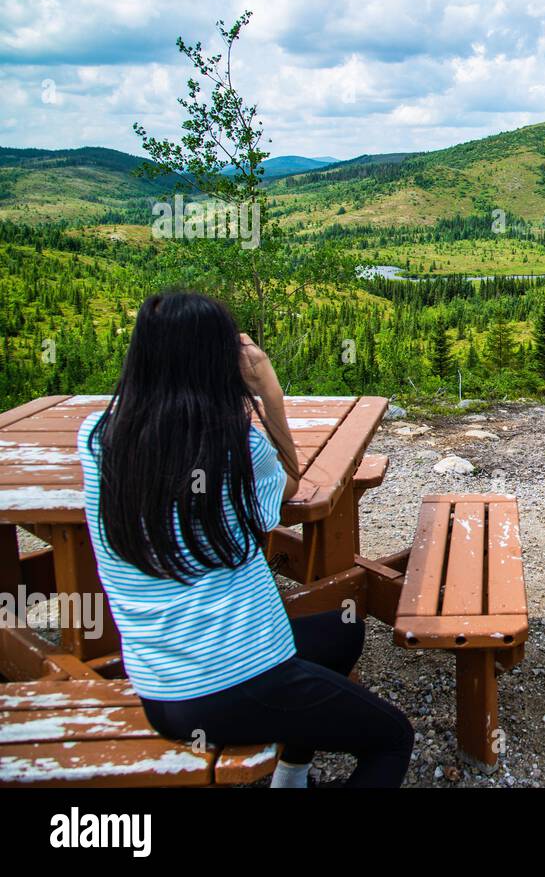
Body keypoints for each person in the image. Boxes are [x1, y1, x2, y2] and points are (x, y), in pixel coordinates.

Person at [77, 291, 413, 787]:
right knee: (392, 738)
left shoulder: (98, 437)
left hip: (159, 687)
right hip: (233, 685)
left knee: (343, 629)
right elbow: (292, 487)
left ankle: (290, 777)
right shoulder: (237, 447)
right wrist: (269, 392)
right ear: (218, 362)